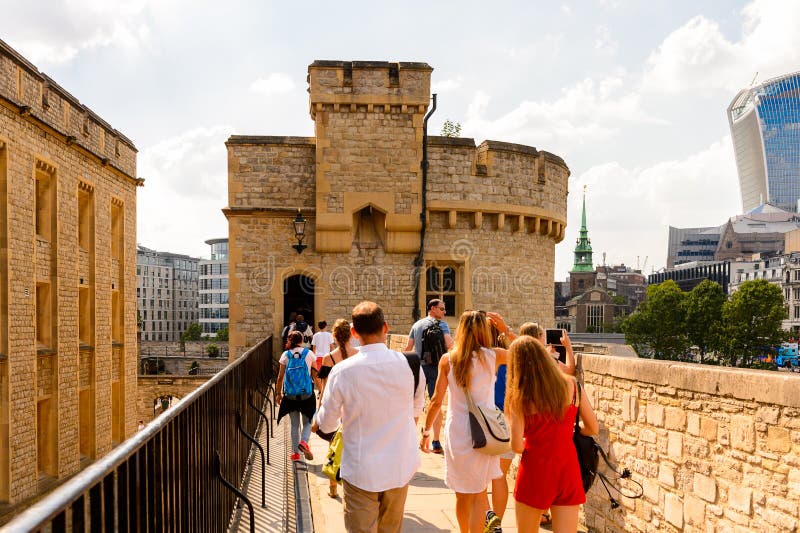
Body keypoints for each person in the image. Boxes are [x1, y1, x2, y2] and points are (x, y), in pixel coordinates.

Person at [314, 302, 425, 533]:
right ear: (386, 327)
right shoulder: (411, 364)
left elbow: (326, 424)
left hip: (361, 469)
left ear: (354, 333)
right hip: (400, 465)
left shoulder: (342, 371)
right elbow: (415, 412)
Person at [420, 310, 508, 533]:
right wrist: (505, 330)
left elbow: (436, 401)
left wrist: (426, 431)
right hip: (484, 432)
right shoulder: (492, 356)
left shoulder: (448, 360)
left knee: (462, 494)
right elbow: (527, 351)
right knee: (480, 493)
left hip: (458, 431)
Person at [505, 336, 598, 533]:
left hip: (535, 470)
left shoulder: (520, 397)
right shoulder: (573, 386)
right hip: (567, 468)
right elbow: (592, 428)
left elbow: (516, 446)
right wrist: (570, 432)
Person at [316, 318, 358, 499]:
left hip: (335, 408)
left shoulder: (328, 358)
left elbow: (324, 388)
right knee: (352, 449)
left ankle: (333, 486)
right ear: (351, 335)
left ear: (334, 336)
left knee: (333, 448)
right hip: (354, 406)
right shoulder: (358, 354)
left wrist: (320, 410)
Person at [405, 299, 454, 454]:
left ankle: (410, 440)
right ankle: (436, 441)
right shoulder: (442, 325)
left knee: (414, 404)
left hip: (418, 368)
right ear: (432, 309)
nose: (444, 312)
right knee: (436, 403)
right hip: (434, 368)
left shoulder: (416, 325)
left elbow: (408, 348)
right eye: (442, 309)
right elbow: (449, 344)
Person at [276, 331, 318, 462]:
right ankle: (304, 442)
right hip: (306, 394)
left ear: (289, 340)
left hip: (290, 395)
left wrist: (278, 393)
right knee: (308, 422)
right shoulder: (309, 353)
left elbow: (280, 377)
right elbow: (315, 375)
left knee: (294, 425)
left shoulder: (285, 355)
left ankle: (295, 454)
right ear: (302, 340)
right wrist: (320, 389)